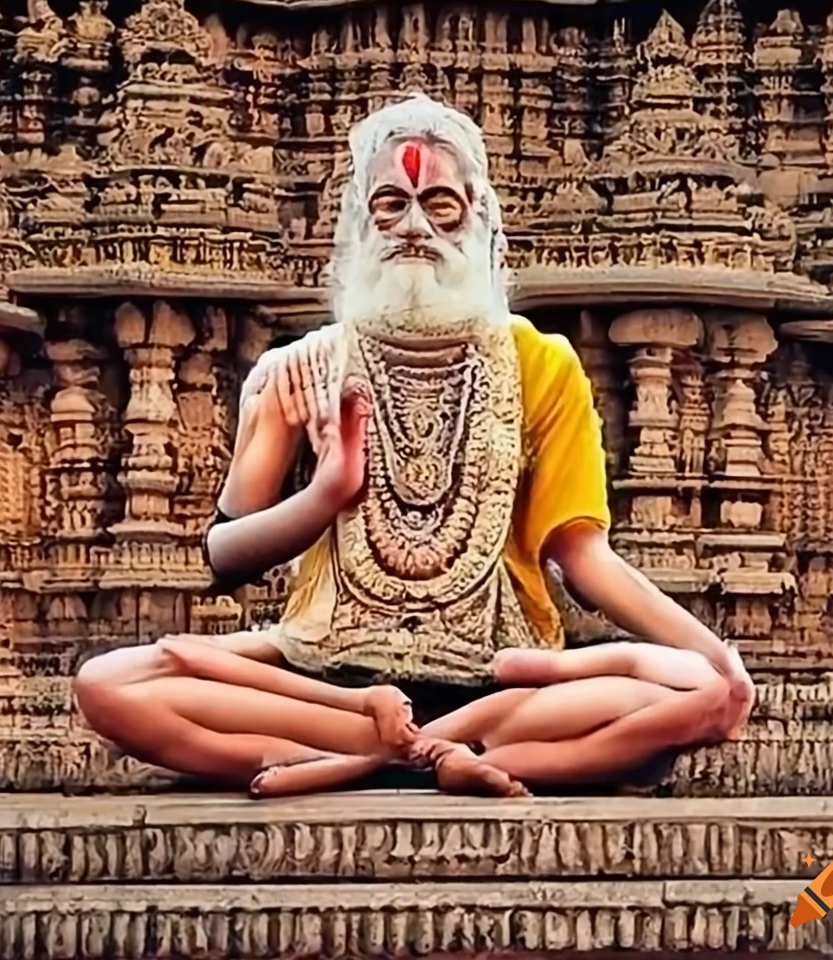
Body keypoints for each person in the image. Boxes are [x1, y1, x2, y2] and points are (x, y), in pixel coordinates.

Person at [75, 93, 756, 798]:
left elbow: (581, 558)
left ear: (478, 216)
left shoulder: (542, 364)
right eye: (390, 205)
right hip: (323, 672)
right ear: (359, 223)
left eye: (439, 204)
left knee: (697, 691)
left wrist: (717, 658)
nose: (414, 226)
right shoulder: (305, 364)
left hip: (495, 669)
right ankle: (405, 750)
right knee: (107, 684)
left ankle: (383, 754)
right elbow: (224, 557)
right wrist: (327, 493)